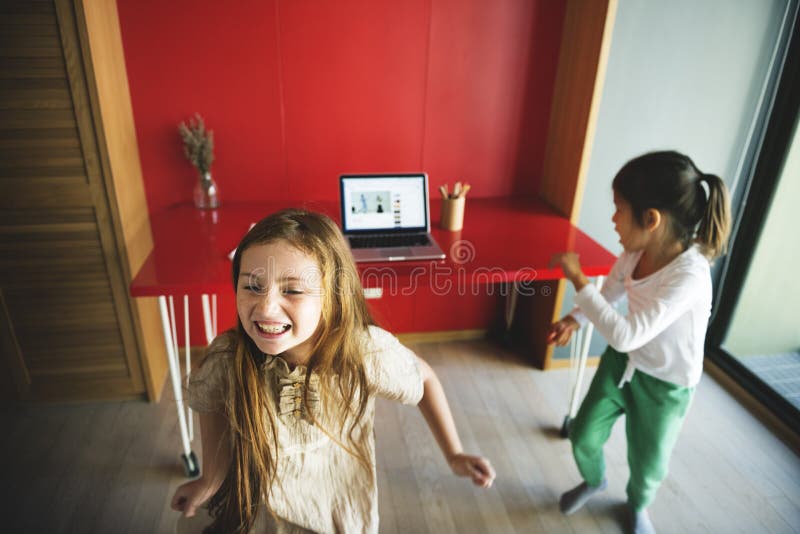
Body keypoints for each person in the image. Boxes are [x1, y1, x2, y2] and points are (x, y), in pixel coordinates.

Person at [171, 209, 495, 533]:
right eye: (252, 287)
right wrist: (210, 478)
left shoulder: (365, 353)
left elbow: (423, 378)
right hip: (258, 512)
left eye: (293, 290)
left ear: (334, 295)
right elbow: (210, 402)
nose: (266, 307)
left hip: (338, 510)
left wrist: (454, 453)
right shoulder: (228, 358)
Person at [548, 151, 731, 534]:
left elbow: (625, 331)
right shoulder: (635, 251)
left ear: (651, 220)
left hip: (667, 382)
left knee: (649, 462)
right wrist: (574, 318)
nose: (613, 219)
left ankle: (637, 504)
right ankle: (595, 480)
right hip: (622, 363)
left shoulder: (691, 275)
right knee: (583, 433)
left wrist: (579, 281)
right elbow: (612, 291)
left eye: (618, 209)